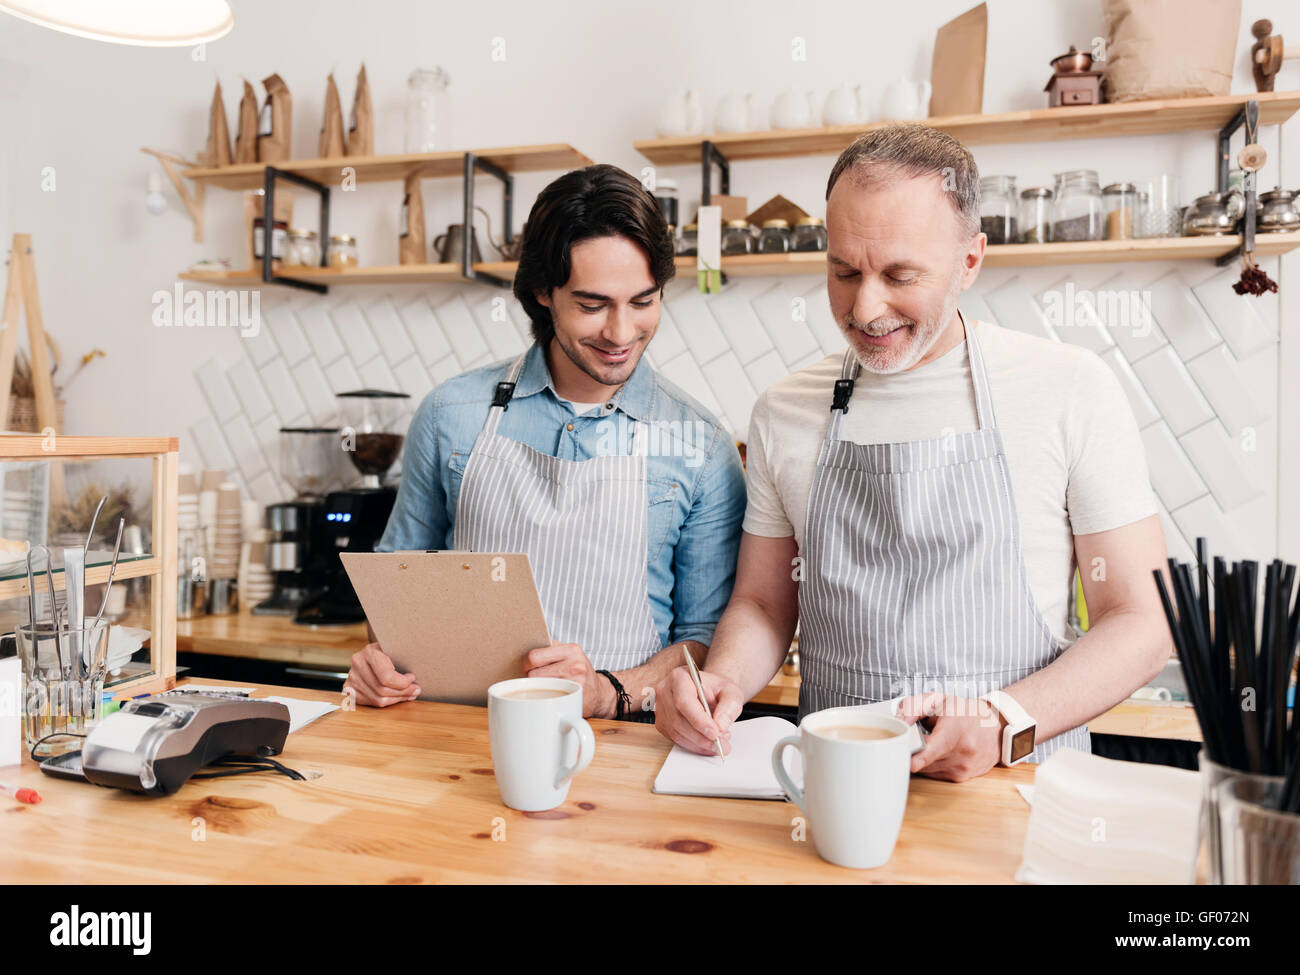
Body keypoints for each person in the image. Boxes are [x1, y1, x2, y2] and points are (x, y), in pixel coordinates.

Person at [654, 123, 1172, 779]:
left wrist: (1001, 722)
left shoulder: (1070, 388)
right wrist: (720, 679)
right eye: (844, 271)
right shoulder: (785, 409)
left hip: (1019, 791)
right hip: (838, 792)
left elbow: (1141, 621)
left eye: (900, 274)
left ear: (971, 261)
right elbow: (763, 601)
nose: (866, 308)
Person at [344, 164, 747, 721]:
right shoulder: (451, 415)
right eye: (591, 304)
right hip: (455, 732)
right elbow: (396, 582)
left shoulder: (700, 447)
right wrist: (377, 659)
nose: (621, 332)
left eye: (643, 301)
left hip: (619, 746)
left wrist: (606, 692)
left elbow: (703, 639)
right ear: (541, 293)